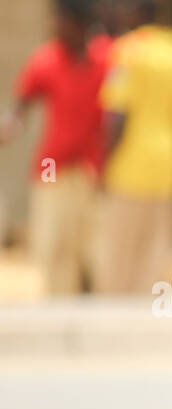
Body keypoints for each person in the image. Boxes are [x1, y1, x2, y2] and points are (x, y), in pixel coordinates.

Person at [0, 0, 110, 295]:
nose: (55, 28)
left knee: (90, 248)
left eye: (62, 21)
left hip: (91, 168)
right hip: (53, 167)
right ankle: (59, 306)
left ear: (80, 24)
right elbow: (21, 106)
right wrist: (9, 127)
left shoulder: (105, 58)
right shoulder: (46, 59)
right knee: (52, 245)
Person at [96, 0, 172, 295]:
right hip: (170, 158)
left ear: (138, 11)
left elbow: (118, 114)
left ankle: (114, 307)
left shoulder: (127, 49)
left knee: (120, 246)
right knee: (156, 245)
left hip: (131, 160)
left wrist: (104, 161)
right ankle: (146, 307)